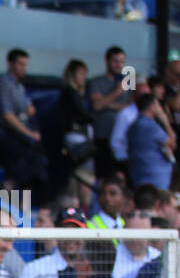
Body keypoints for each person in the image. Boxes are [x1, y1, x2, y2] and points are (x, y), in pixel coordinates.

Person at [0, 48, 47, 193]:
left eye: (25, 65)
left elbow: (28, 108)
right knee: (30, 160)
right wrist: (29, 134)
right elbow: (7, 115)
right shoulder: (3, 84)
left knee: (38, 161)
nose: (23, 68)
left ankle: (22, 203)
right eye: (20, 64)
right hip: (7, 134)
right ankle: (7, 188)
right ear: (10, 64)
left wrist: (29, 111)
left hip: (22, 135)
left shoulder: (20, 86)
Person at [89, 47, 132, 182]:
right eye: (115, 61)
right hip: (103, 136)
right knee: (104, 177)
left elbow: (131, 107)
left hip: (123, 139)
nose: (119, 65)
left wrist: (108, 103)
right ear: (107, 61)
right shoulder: (96, 82)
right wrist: (117, 92)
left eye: (122, 62)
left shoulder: (129, 82)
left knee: (123, 177)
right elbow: (97, 105)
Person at [127, 93, 175, 192]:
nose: (160, 108)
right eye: (158, 105)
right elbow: (172, 143)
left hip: (139, 173)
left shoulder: (133, 126)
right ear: (151, 106)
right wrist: (165, 122)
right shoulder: (151, 126)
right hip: (156, 177)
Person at [60, 58, 95, 177]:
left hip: (82, 136)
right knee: (85, 173)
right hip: (76, 136)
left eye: (85, 74)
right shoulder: (69, 93)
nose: (83, 77)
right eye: (81, 73)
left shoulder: (79, 95)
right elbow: (82, 114)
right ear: (72, 74)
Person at [112, 211, 160, 278]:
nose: (136, 240)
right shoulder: (113, 255)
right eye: (132, 234)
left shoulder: (156, 256)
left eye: (140, 234)